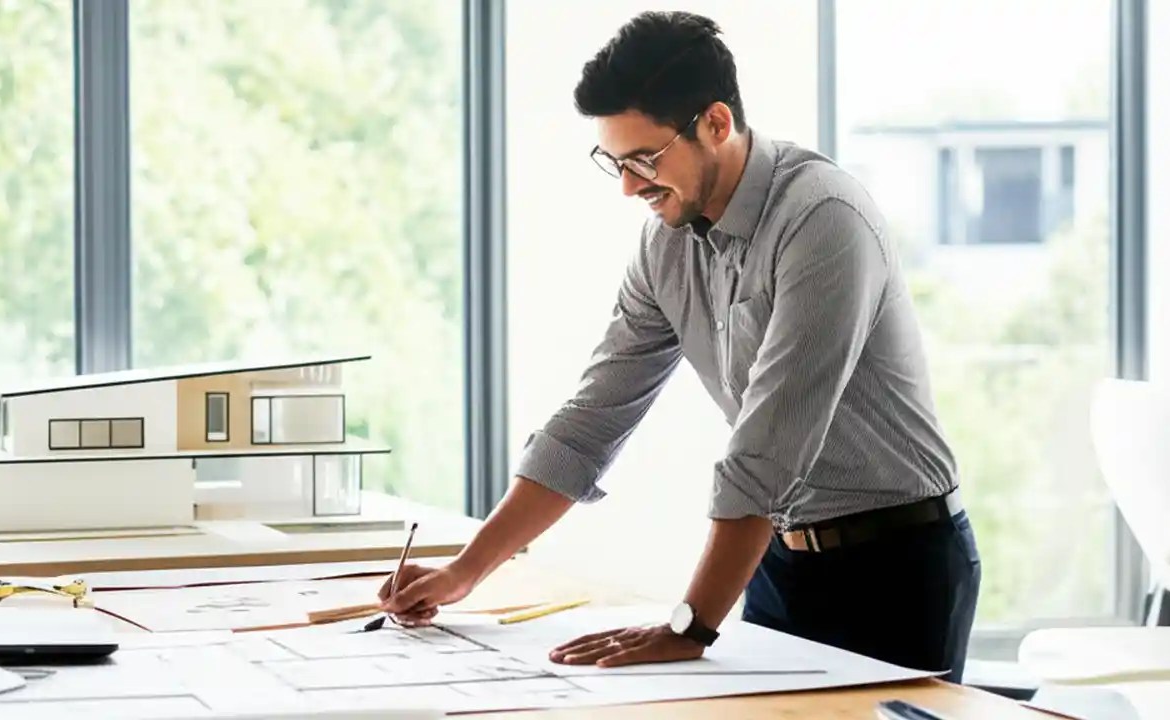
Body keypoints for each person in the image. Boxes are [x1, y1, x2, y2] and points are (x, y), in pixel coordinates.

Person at [379, 10, 982, 683]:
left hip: (897, 563)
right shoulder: (665, 242)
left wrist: (690, 623)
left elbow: (769, 447)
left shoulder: (822, 220)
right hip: (776, 557)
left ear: (716, 124)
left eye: (645, 159)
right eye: (615, 162)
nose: (631, 186)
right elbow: (588, 425)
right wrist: (467, 570)